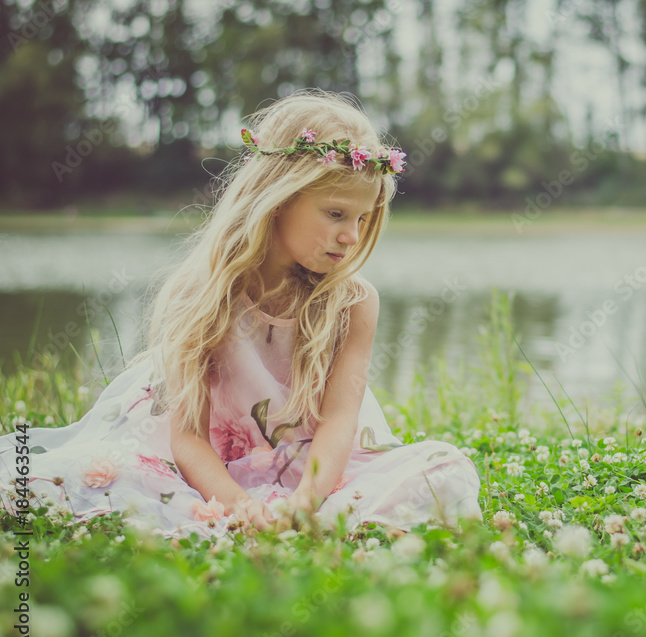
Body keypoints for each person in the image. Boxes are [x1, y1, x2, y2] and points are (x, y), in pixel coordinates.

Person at [0, 89, 483, 539]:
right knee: (93, 479)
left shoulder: (353, 302)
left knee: (445, 469)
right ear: (276, 200)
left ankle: (302, 510)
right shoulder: (204, 293)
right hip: (203, 463)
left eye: (362, 219)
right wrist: (236, 505)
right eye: (336, 214)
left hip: (313, 464)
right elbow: (187, 439)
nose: (353, 237)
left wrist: (305, 503)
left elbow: (338, 422)